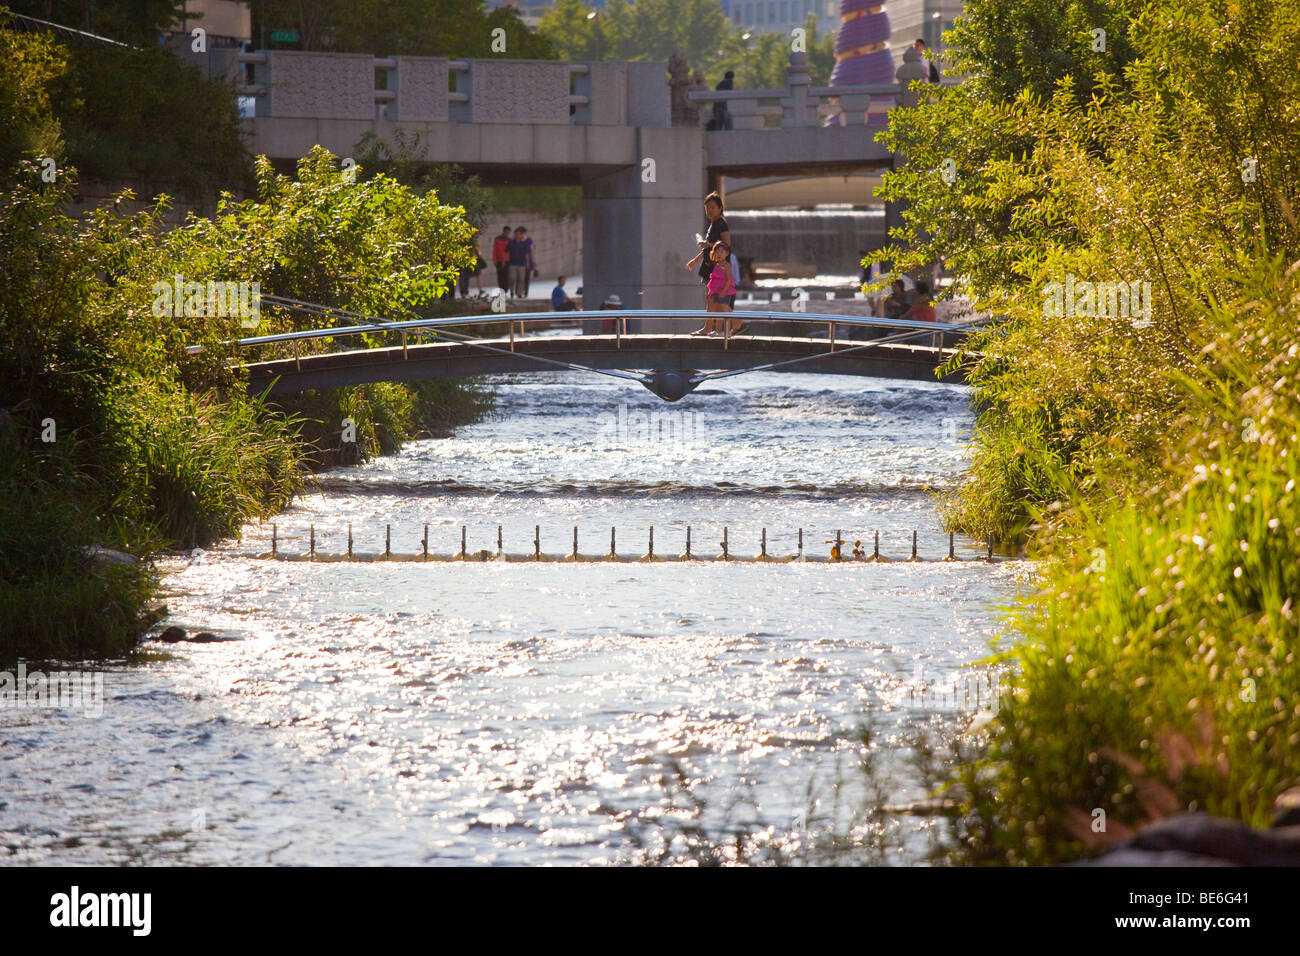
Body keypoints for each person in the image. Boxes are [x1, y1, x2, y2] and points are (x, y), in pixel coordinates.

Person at [686, 192, 734, 317]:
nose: (709, 210)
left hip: (716, 268)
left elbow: (726, 244)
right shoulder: (713, 224)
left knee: (714, 300)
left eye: (713, 207)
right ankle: (712, 328)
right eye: (707, 208)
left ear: (720, 208)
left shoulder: (721, 224)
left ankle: (736, 324)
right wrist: (695, 260)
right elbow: (708, 249)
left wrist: (708, 244)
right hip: (710, 267)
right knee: (711, 300)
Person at [692, 241, 739, 336]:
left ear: (727, 254)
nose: (719, 254)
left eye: (722, 252)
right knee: (718, 310)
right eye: (717, 252)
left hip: (724, 291)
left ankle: (728, 330)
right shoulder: (717, 265)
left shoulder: (727, 266)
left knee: (725, 309)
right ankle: (718, 331)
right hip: (716, 291)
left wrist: (724, 291)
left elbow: (729, 279)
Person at [508, 226, 534, 298]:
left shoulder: (528, 241)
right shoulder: (512, 242)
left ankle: (523, 292)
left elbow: (531, 252)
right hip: (514, 263)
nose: (519, 235)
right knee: (514, 278)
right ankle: (514, 291)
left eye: (521, 233)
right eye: (517, 234)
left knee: (524, 279)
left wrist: (531, 262)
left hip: (524, 262)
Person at [492, 226, 512, 292]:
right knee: (500, 275)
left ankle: (505, 289)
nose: (507, 234)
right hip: (499, 260)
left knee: (506, 275)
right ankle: (501, 288)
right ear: (503, 231)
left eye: (508, 233)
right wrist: (494, 259)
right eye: (506, 232)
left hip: (507, 260)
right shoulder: (497, 239)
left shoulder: (510, 240)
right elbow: (495, 249)